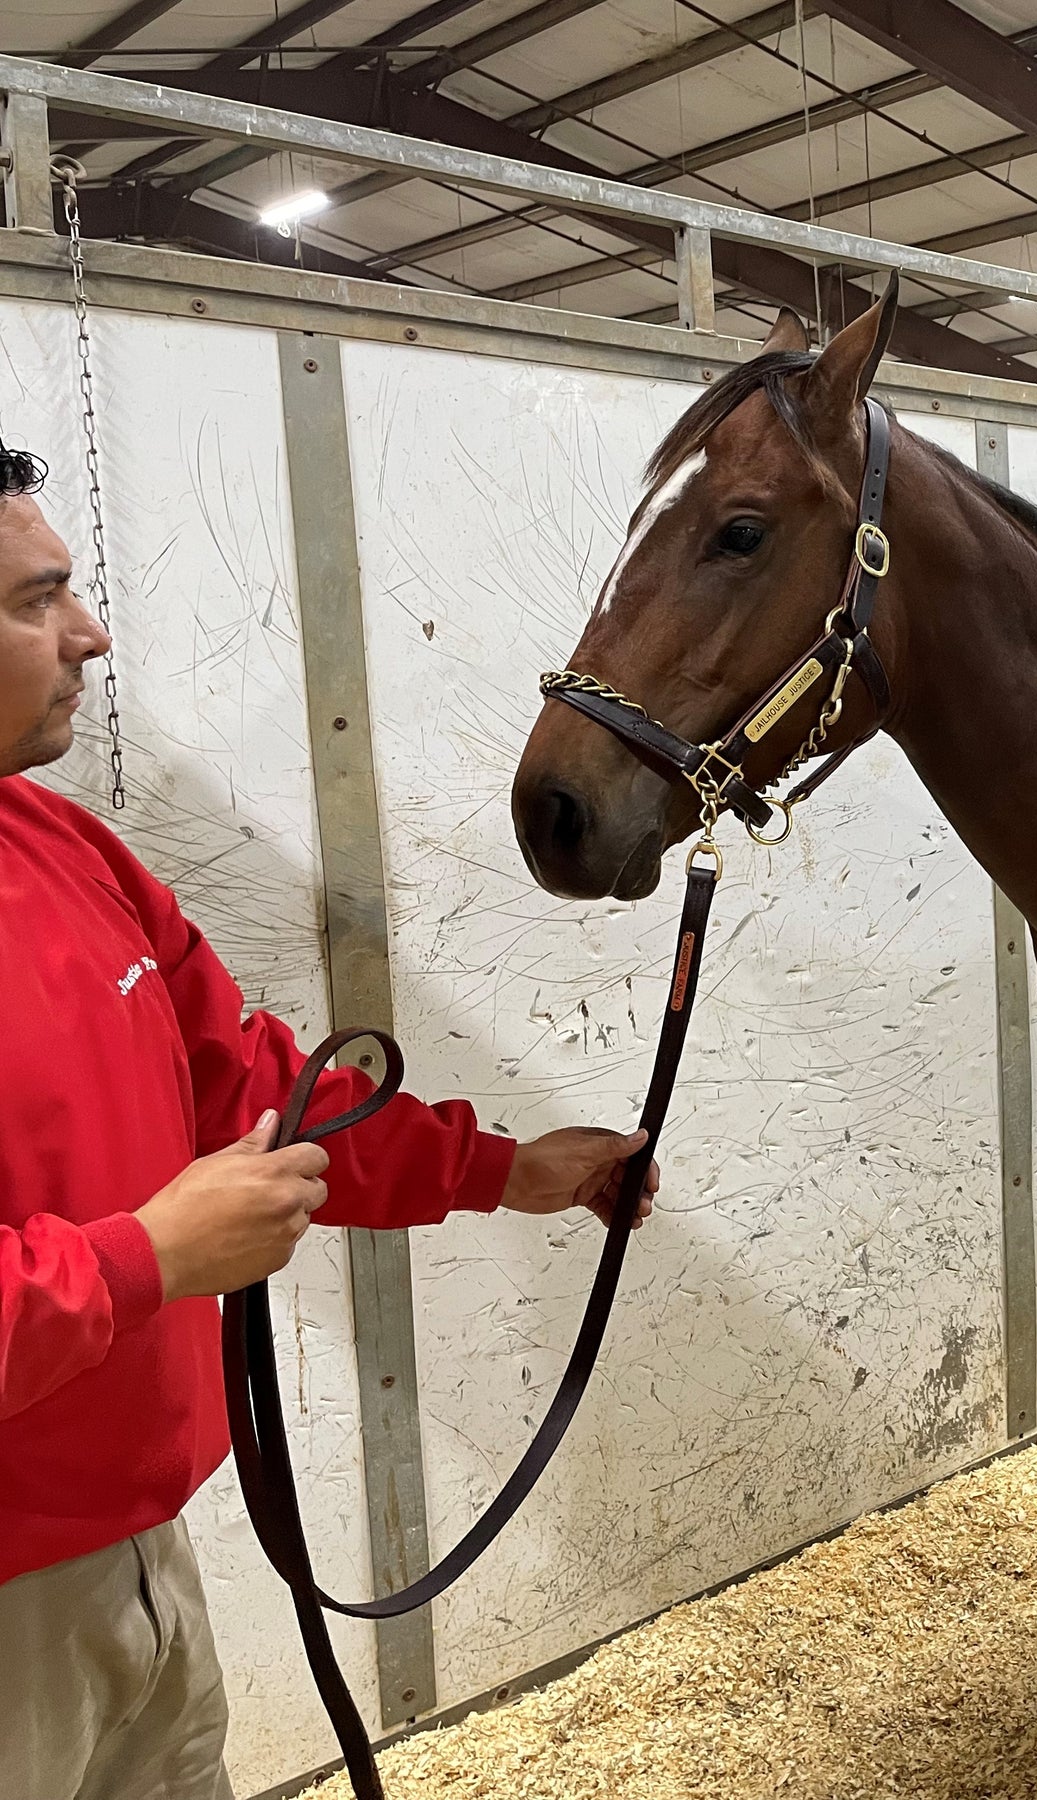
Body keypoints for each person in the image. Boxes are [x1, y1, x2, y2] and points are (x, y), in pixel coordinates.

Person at [0, 440, 660, 1800]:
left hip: (138, 1555)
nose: (90, 633)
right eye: (33, 601)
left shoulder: (66, 850)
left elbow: (255, 1090)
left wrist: (504, 1170)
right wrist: (147, 1258)